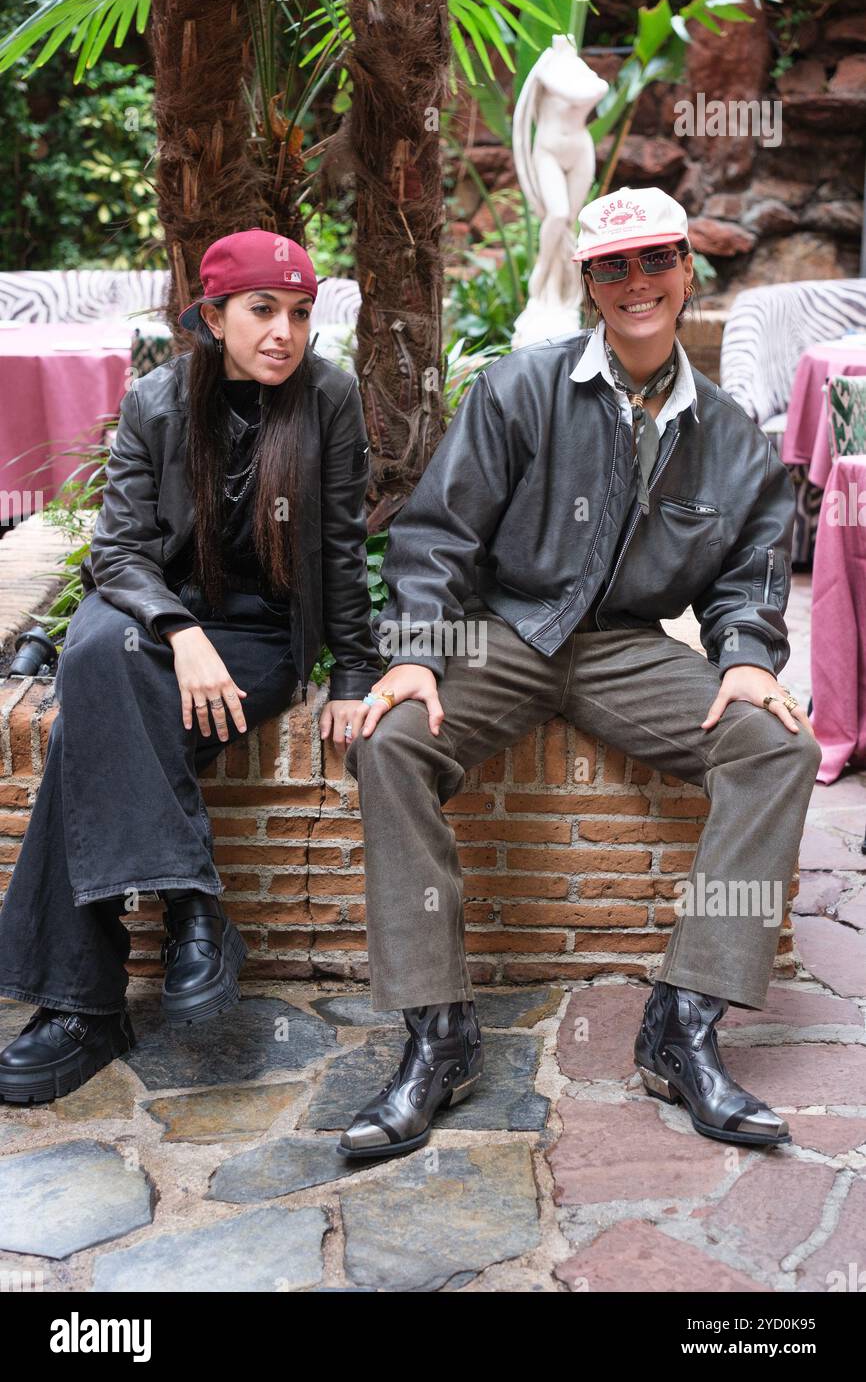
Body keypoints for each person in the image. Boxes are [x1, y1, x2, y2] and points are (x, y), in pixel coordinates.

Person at [339, 185, 822, 1161]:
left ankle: (680, 1021)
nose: (635, 283)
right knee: (390, 743)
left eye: (653, 261)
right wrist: (418, 655)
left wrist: (742, 653)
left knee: (776, 746)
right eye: (612, 266)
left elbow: (754, 564)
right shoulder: (518, 390)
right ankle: (438, 1032)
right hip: (499, 634)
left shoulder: (726, 433)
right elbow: (434, 534)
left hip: (624, 648)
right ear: (588, 282)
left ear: (687, 270)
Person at [0, 228, 381, 1104]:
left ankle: (83, 1011)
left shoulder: (329, 399)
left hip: (255, 640)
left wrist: (354, 673)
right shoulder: (157, 402)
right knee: (101, 648)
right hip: (155, 616)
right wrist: (180, 630)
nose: (283, 331)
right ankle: (194, 906)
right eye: (261, 311)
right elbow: (120, 552)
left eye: (298, 313)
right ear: (212, 317)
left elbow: (340, 556)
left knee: (83, 731)